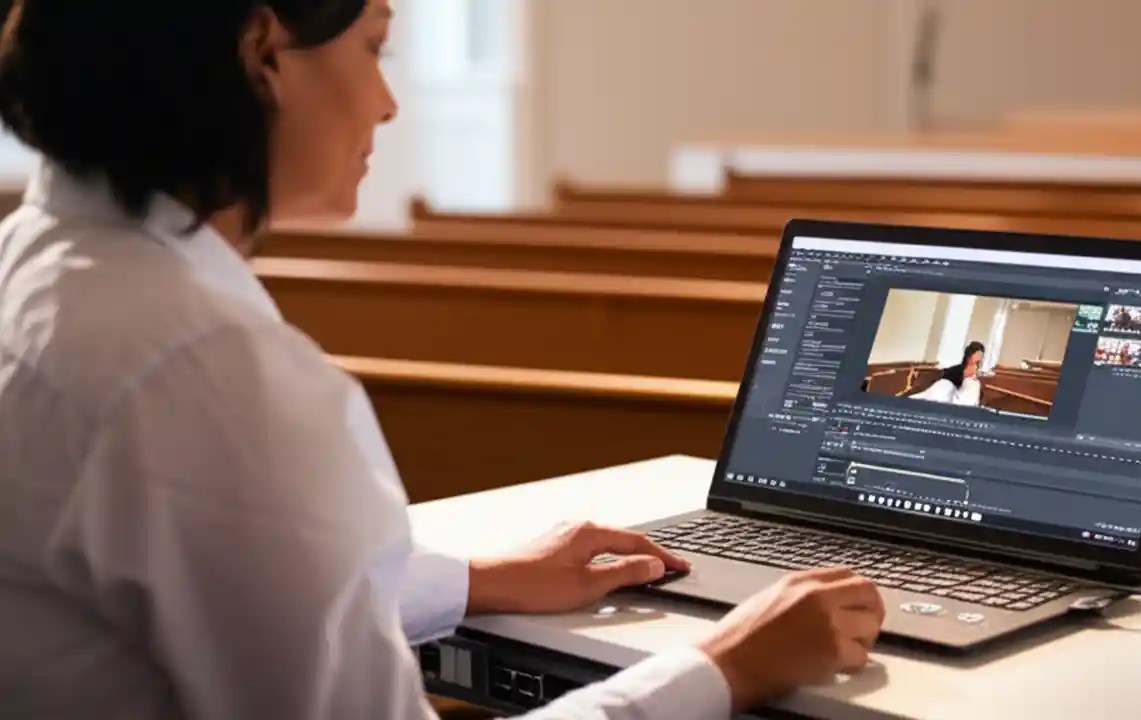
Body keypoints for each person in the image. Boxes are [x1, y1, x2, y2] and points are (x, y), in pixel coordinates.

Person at [0, 2, 885, 718]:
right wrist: (724, 668)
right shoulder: (209, 371)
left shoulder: (40, 259)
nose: (387, 101)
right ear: (261, 53)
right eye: (375, 45)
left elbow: (212, 585)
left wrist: (479, 580)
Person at [911, 341, 985, 406]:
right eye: (978, 354)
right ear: (970, 355)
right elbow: (948, 375)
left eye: (981, 355)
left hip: (956, 393)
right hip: (946, 386)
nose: (980, 357)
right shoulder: (960, 368)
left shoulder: (974, 370)